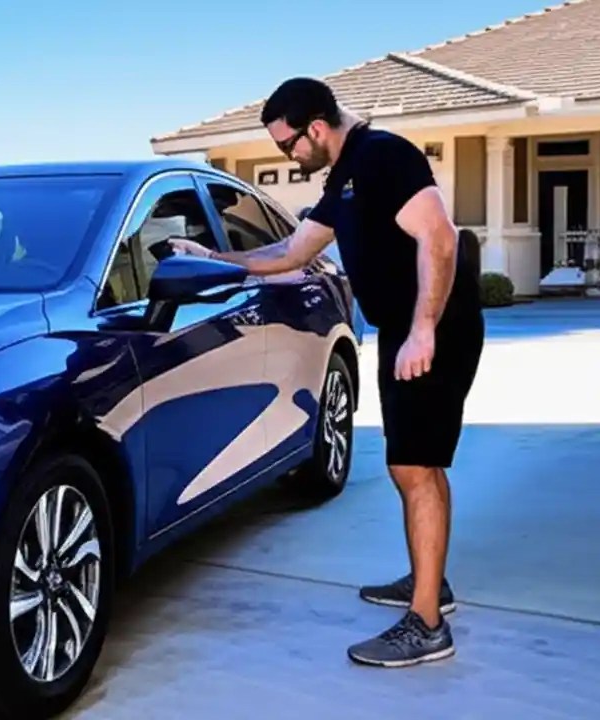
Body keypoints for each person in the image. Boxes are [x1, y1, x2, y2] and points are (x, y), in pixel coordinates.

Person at [169, 77, 484, 668]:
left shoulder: (383, 154)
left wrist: (423, 330)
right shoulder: (345, 177)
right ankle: (429, 582)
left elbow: (439, 239)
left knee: (413, 466)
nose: (288, 156)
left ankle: (427, 625)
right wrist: (216, 260)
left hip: (434, 328)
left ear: (316, 128)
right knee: (418, 464)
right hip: (406, 329)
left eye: (288, 144)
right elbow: (291, 253)